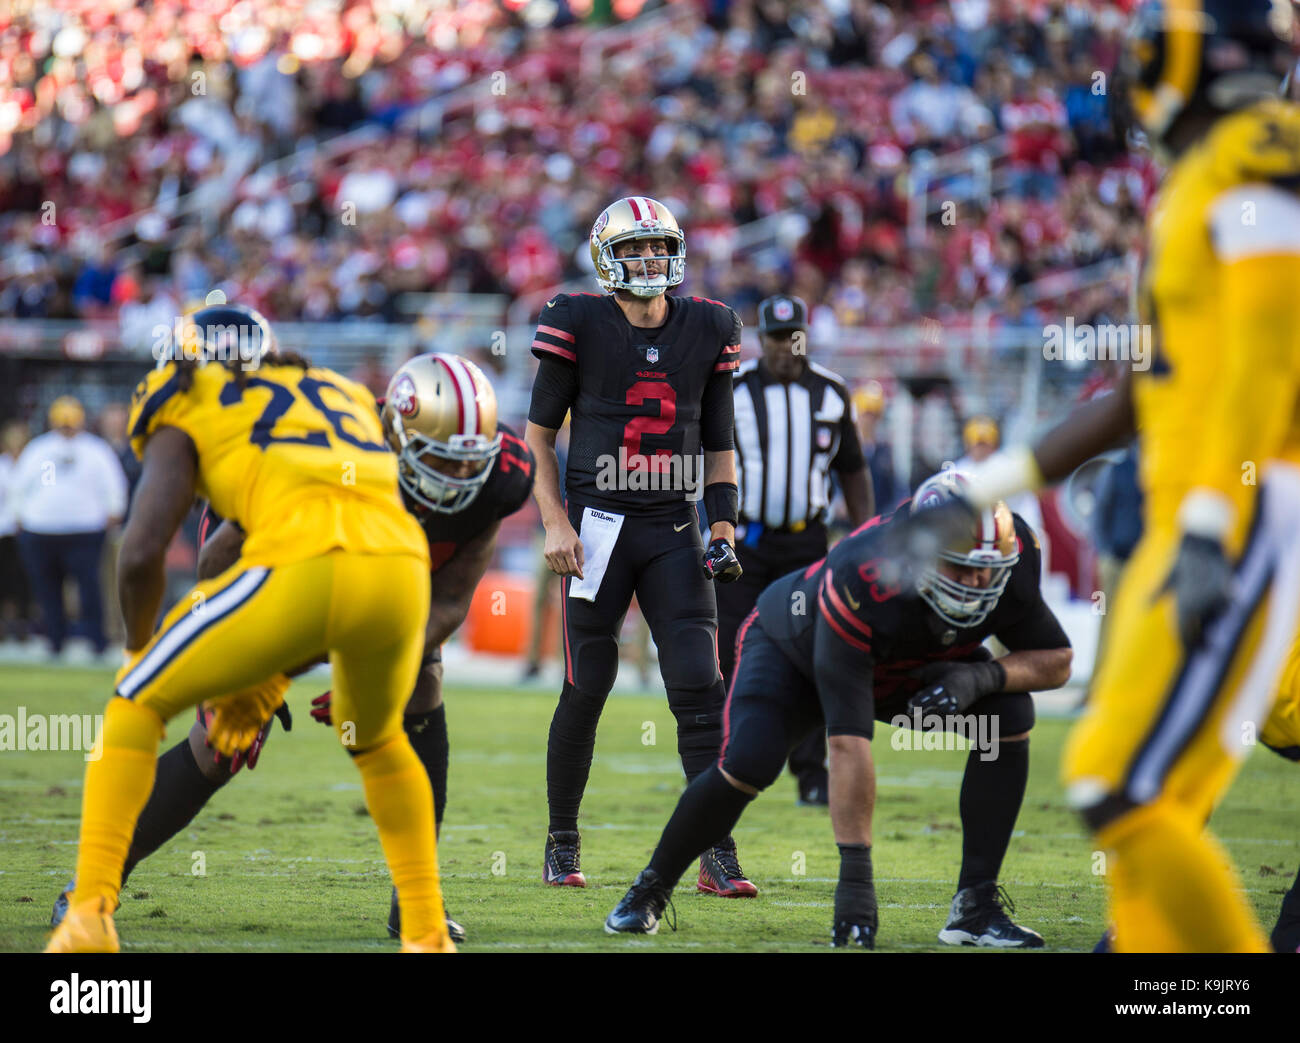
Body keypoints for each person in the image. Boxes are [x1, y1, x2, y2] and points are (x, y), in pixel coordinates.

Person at [938, 0, 1300, 952]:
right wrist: (986, 487)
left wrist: (1216, 518)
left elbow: (1267, 352)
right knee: (1143, 791)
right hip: (1199, 509)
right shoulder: (1193, 180)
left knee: (1127, 783)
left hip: (1247, 510)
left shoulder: (1256, 158)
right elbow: (1143, 392)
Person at [50, 351, 534, 948]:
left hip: (387, 584)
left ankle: (416, 909)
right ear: (394, 438)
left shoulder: (503, 474)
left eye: (469, 464)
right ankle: (94, 888)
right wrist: (246, 673)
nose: (456, 479)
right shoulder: (342, 447)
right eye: (439, 460)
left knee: (421, 689)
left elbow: (453, 600)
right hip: (277, 562)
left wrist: (381, 667)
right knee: (219, 742)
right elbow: (214, 563)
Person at [605, 469, 1072, 947]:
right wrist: (855, 879)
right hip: (797, 656)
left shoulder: (1013, 557)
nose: (976, 583)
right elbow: (848, 744)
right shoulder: (866, 574)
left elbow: (1057, 659)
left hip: (907, 672)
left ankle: (974, 907)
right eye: (960, 567)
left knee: (1008, 717)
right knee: (750, 762)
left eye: (986, 570)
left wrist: (982, 675)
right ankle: (649, 890)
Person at [524, 195, 754, 896]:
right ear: (607, 259)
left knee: (699, 683)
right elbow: (538, 437)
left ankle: (716, 852)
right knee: (587, 682)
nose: (650, 260)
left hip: (674, 526)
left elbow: (720, 444)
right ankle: (561, 842)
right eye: (635, 250)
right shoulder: (578, 320)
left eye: (659, 247)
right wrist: (554, 520)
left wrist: (723, 523)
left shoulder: (710, 325)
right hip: (596, 525)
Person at [720, 294, 873, 807]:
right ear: (759, 341)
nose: (785, 347)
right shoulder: (733, 390)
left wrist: (864, 532)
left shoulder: (831, 392)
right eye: (775, 338)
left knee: (814, 651)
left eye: (793, 336)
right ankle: (725, 760)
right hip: (746, 539)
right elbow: (705, 461)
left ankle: (810, 770)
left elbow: (852, 467)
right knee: (728, 645)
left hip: (808, 540)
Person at [8, 396, 128, 659]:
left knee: (89, 588)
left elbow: (114, 484)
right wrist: (19, 516)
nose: (66, 429)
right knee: (47, 589)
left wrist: (114, 511)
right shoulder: (38, 449)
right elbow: (19, 487)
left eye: (70, 423)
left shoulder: (96, 450)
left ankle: (97, 640)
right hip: (40, 530)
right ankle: (55, 641)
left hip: (84, 531)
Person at [0, 420, 34, 646]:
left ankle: (24, 623)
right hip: (4, 530)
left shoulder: (40, 461)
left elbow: (50, 491)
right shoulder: (1, 464)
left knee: (25, 579)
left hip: (30, 529)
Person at [853, 380, 905, 516]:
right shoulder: (845, 448)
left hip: (877, 521)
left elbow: (895, 491)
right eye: (866, 414)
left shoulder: (884, 451)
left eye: (873, 416)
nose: (869, 421)